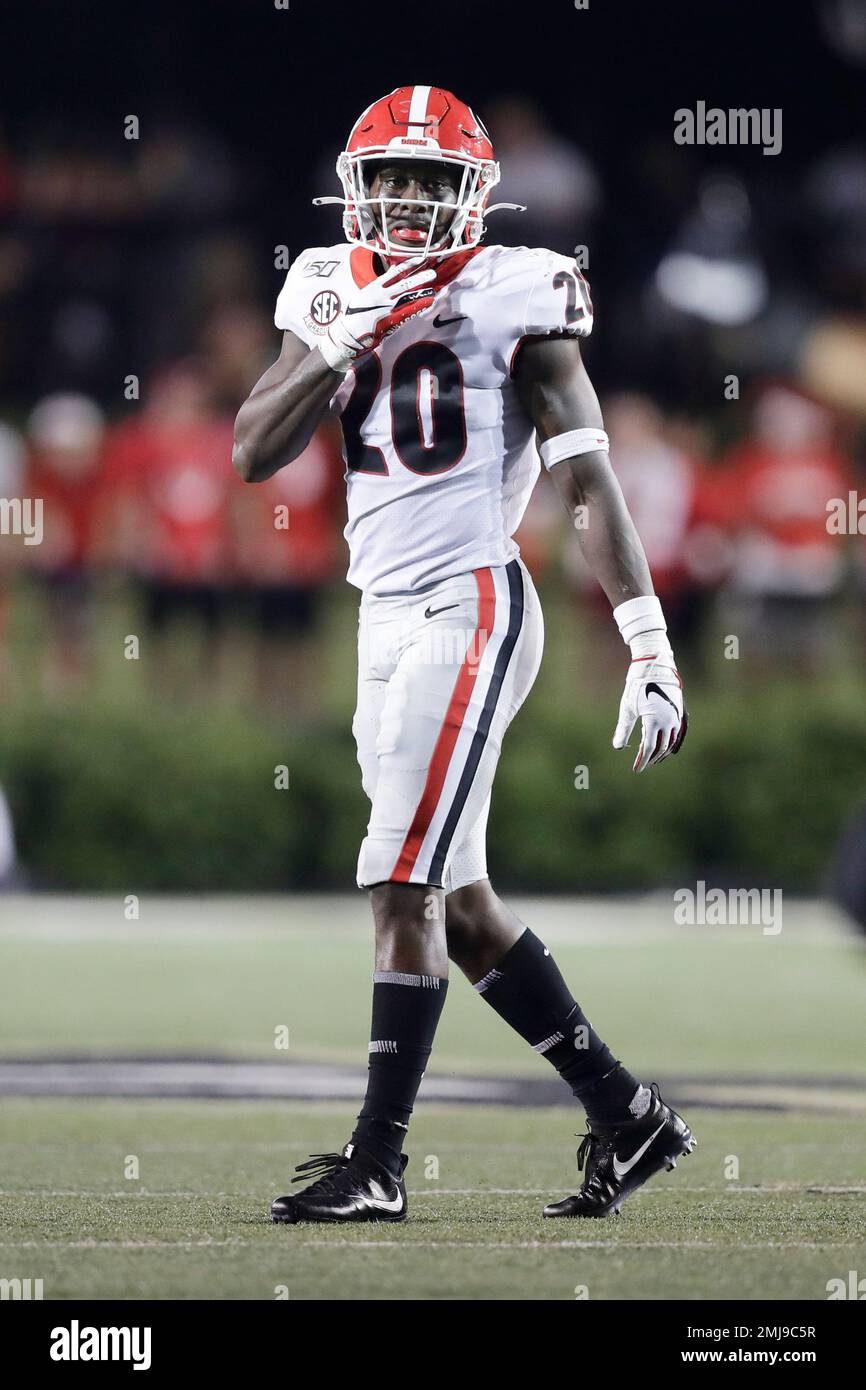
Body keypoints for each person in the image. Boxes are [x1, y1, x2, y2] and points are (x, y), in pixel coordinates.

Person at [233, 86, 691, 1225]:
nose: (404, 198)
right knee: (461, 898)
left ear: (472, 196)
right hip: (378, 615)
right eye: (387, 176)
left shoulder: (515, 291)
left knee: (399, 876)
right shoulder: (324, 283)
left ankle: (377, 1162)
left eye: (429, 182)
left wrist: (645, 637)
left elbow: (585, 476)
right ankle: (626, 1115)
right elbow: (252, 447)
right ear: (355, 184)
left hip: (473, 600)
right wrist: (331, 344)